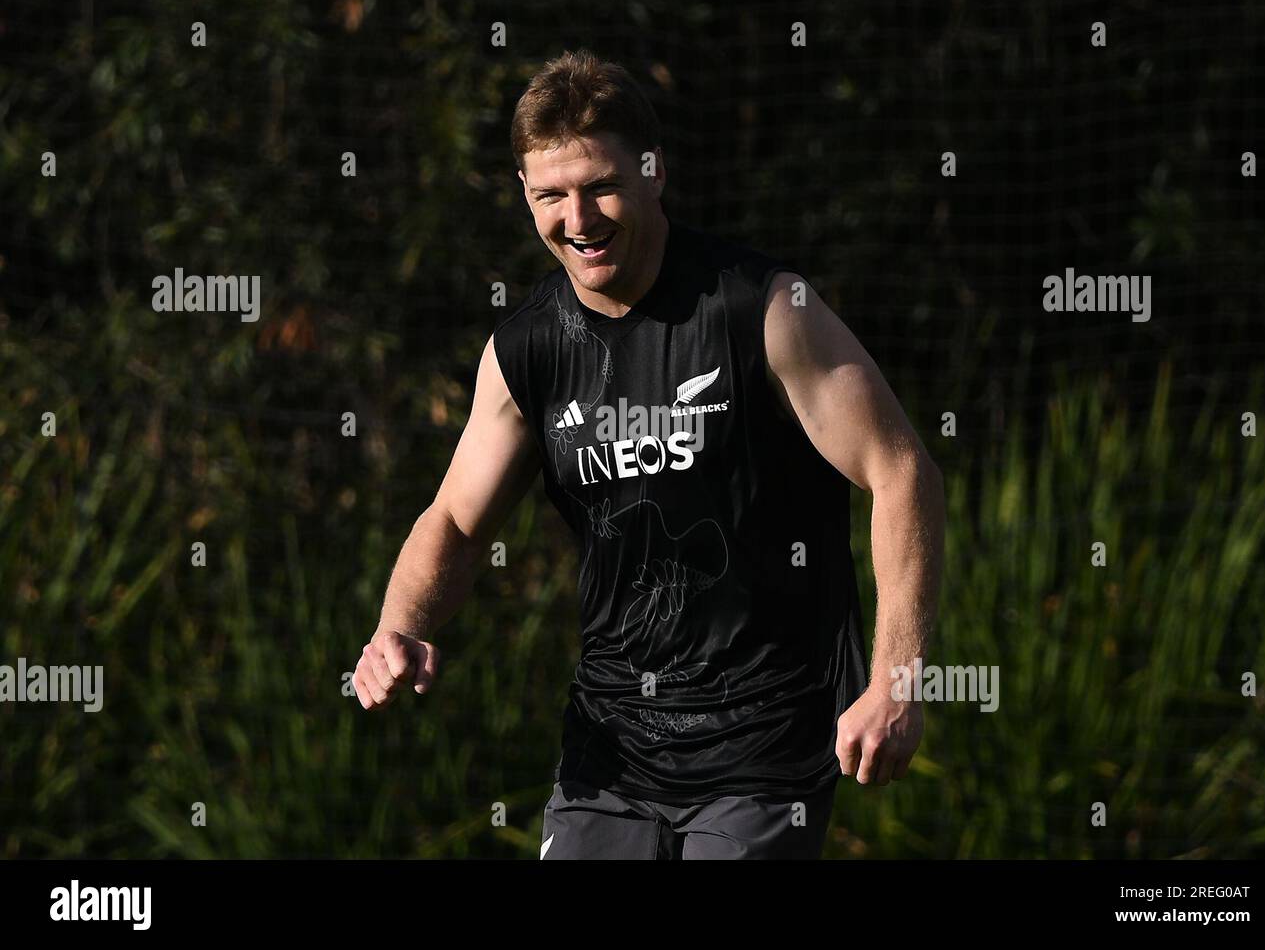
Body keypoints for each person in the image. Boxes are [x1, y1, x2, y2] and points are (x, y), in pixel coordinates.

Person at [351, 49, 945, 860]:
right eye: (550, 196)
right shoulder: (526, 349)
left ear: (654, 173)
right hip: (611, 755)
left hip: (764, 747)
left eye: (600, 185)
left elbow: (901, 470)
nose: (579, 217)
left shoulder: (759, 308)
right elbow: (454, 520)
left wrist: (896, 681)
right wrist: (399, 626)